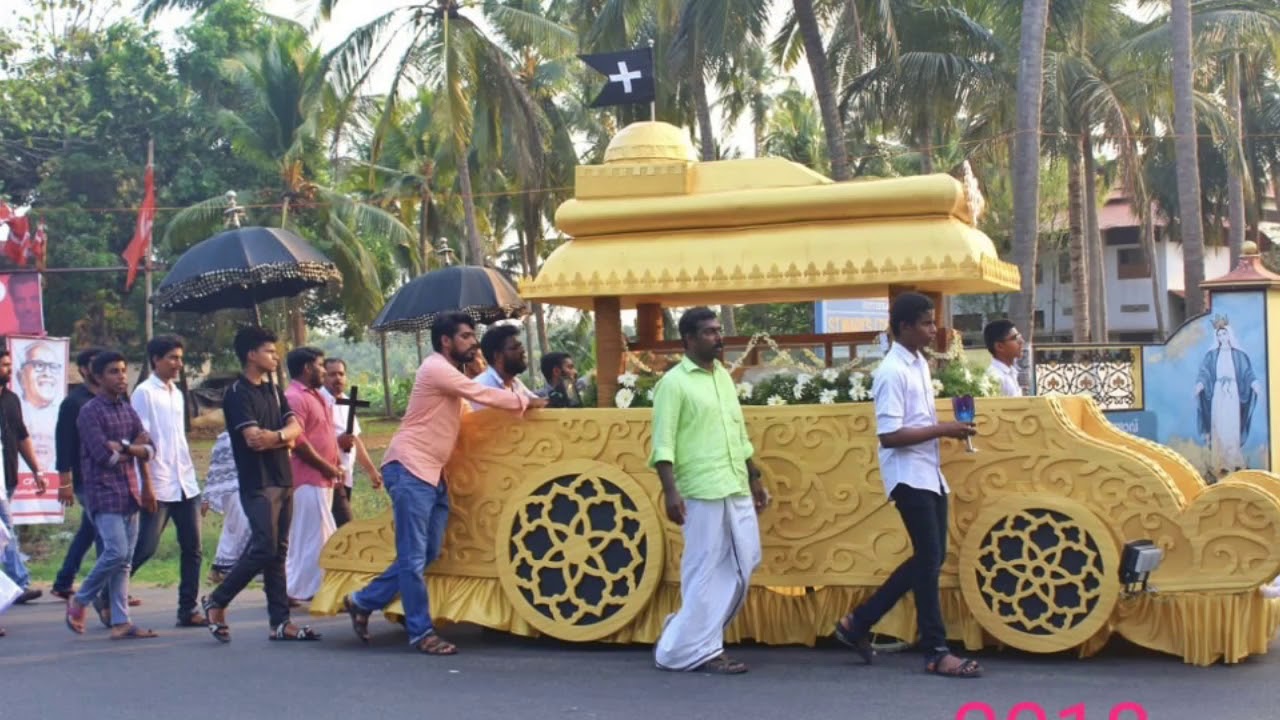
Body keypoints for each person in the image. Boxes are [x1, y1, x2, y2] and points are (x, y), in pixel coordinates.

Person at [343, 312, 547, 655]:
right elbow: (479, 393)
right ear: (446, 341)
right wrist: (525, 401)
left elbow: (469, 412)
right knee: (412, 558)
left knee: (429, 552)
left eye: (473, 336)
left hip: (433, 475)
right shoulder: (435, 368)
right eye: (466, 336)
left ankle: (362, 601)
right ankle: (421, 633)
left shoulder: (451, 376)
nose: (474, 342)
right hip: (409, 469)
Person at [832, 292, 983, 678]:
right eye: (926, 323)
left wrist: (945, 430)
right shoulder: (891, 371)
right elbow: (889, 435)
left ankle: (858, 622)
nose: (934, 330)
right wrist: (944, 429)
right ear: (904, 327)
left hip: (927, 472)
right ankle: (935, 650)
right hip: (907, 474)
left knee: (931, 558)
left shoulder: (918, 364)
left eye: (933, 322)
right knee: (929, 560)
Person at [649, 307, 770, 674]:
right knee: (704, 568)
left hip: (734, 482)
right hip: (701, 489)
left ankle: (683, 635)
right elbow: (662, 444)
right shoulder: (673, 384)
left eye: (718, 330)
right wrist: (671, 492)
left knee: (745, 559)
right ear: (688, 339)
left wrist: (754, 477)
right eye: (709, 332)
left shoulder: (722, 377)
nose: (719, 337)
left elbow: (739, 433)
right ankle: (698, 650)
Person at [202, 326, 320, 643]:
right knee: (264, 546)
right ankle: (217, 599)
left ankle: (280, 622)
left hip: (283, 477)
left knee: (278, 552)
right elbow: (253, 439)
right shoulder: (237, 393)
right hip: (258, 482)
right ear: (251, 355)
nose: (275, 355)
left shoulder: (273, 390)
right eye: (269, 351)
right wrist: (283, 437)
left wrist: (278, 436)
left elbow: (296, 427)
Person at [64, 350, 158, 639]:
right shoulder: (89, 412)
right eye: (113, 372)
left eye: (123, 370)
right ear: (98, 376)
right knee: (115, 551)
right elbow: (104, 456)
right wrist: (133, 448)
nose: (121, 377)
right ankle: (80, 600)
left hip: (130, 492)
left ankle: (121, 621)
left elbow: (150, 450)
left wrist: (125, 447)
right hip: (103, 493)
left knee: (125, 561)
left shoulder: (126, 409)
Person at [128, 336, 205, 627]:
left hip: (184, 482)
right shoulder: (144, 393)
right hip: (158, 483)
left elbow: (178, 439)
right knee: (145, 547)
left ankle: (188, 609)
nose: (178, 364)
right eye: (172, 358)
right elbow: (141, 442)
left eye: (180, 358)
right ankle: (107, 594)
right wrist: (146, 485)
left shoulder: (177, 393)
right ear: (156, 360)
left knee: (193, 549)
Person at [283, 346, 341, 602]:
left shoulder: (316, 395)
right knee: (314, 538)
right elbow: (298, 440)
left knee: (312, 536)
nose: (323, 371)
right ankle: (309, 590)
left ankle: (295, 588)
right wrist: (326, 466)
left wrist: (334, 466)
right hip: (308, 477)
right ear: (307, 368)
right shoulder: (295, 397)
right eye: (320, 366)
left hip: (323, 478)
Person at [51, 347, 107, 600]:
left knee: (89, 530)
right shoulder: (74, 402)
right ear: (84, 370)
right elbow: (63, 443)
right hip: (86, 479)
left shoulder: (112, 398)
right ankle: (107, 590)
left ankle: (63, 581)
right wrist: (64, 482)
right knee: (106, 532)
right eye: (95, 364)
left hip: (110, 476)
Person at [0, 348, 44, 604]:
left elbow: (21, 436)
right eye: (3, 365)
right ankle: (19, 583)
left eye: (9, 364)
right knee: (7, 530)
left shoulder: (11, 399)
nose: (8, 370)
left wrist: (37, 470)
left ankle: (14, 584)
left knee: (5, 532)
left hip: (7, 478)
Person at [1195, 315, 1261, 477]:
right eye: (1219, 335)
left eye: (1224, 334)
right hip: (1218, 393)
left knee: (1232, 425)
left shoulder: (1239, 355)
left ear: (1229, 335)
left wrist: (1254, 384)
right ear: (1216, 337)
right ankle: (1220, 463)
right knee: (1219, 425)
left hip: (1233, 393)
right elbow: (1205, 373)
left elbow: (1247, 373)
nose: (1222, 337)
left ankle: (1234, 462)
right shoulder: (1211, 356)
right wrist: (1200, 384)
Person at [319, 358, 381, 528]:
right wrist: (337, 442)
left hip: (346, 475)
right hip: (327, 474)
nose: (338, 378)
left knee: (336, 528)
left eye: (341, 374)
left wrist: (372, 471)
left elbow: (356, 440)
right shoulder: (319, 402)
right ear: (323, 376)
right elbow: (310, 440)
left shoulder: (347, 401)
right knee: (344, 526)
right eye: (332, 374)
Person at [202, 432, 248, 583]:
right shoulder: (226, 438)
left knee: (233, 527)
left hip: (248, 486)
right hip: (232, 488)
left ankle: (220, 569)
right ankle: (235, 569)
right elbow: (215, 467)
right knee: (241, 525)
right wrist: (207, 495)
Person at [16, 339, 62, 473]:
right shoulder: (13, 405)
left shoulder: (60, 412)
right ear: (21, 376)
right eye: (39, 365)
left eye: (53, 367)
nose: (47, 373)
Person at [471, 324, 537, 409]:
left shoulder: (515, 383)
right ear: (497, 356)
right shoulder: (480, 387)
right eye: (514, 348)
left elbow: (539, 402)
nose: (522, 351)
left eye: (520, 346)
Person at [982, 319, 1024, 398]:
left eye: (1019, 337)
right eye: (1015, 338)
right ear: (999, 347)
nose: (1021, 341)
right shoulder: (995, 377)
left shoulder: (1011, 371)